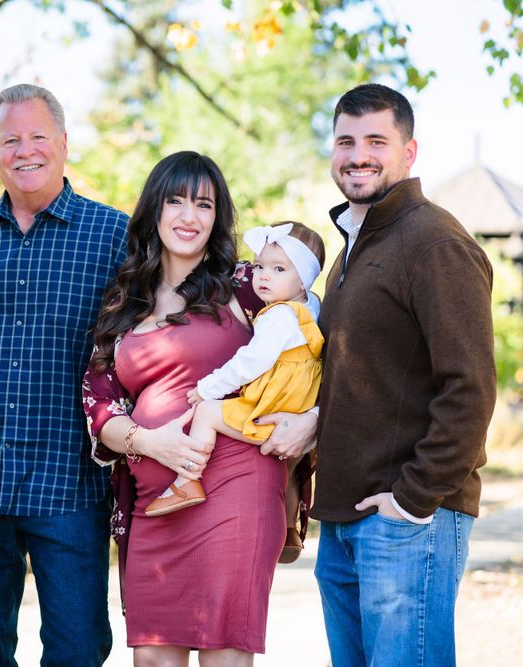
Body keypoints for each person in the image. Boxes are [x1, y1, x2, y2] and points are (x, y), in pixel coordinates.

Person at [270, 83, 497, 666]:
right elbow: (365, 376)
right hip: (346, 517)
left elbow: (469, 388)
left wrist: (414, 499)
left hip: (407, 519)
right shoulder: (352, 249)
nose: (358, 154)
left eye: (376, 140)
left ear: (409, 152)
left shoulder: (434, 242)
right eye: (346, 140)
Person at [0, 83, 127, 666]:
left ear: (64, 144)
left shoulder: (115, 237)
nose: (25, 150)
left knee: (77, 649)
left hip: (71, 482)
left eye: (39, 136)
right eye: (10, 139)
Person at [83, 151, 292, 667]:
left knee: (223, 652)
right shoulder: (123, 299)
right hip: (154, 501)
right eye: (175, 200)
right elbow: (99, 402)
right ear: (155, 210)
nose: (188, 216)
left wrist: (307, 422)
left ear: (217, 217)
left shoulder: (247, 285)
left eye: (203, 204)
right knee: (153, 657)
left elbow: (309, 346)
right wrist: (147, 441)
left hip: (237, 486)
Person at [145, 221, 325, 564]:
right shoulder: (310, 306)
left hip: (273, 406)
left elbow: (252, 360)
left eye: (278, 269)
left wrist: (208, 387)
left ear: (302, 278)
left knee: (209, 412)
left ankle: (186, 479)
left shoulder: (279, 317)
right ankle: (287, 526)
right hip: (296, 405)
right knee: (291, 464)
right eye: (259, 266)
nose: (263, 276)